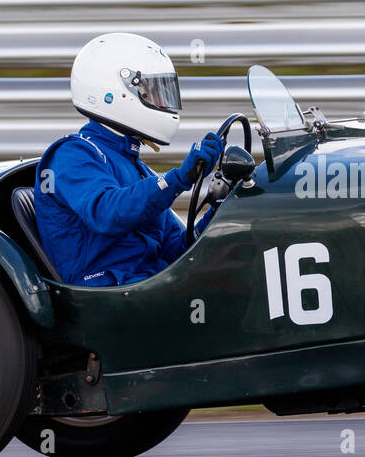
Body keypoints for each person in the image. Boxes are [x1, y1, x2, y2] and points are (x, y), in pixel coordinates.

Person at [34, 33, 223, 286]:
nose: (163, 101)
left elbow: (178, 251)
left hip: (146, 282)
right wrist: (177, 180)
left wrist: (221, 204)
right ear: (113, 91)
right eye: (154, 91)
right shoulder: (73, 154)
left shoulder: (139, 169)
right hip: (108, 289)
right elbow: (106, 213)